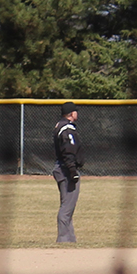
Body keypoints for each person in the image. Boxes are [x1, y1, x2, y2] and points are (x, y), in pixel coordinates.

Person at [52, 101, 84, 243]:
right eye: (75, 111)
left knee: (67, 206)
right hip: (66, 170)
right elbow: (68, 151)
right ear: (71, 113)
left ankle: (69, 239)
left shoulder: (61, 126)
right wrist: (72, 171)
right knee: (67, 207)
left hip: (62, 168)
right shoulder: (67, 129)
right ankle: (64, 238)